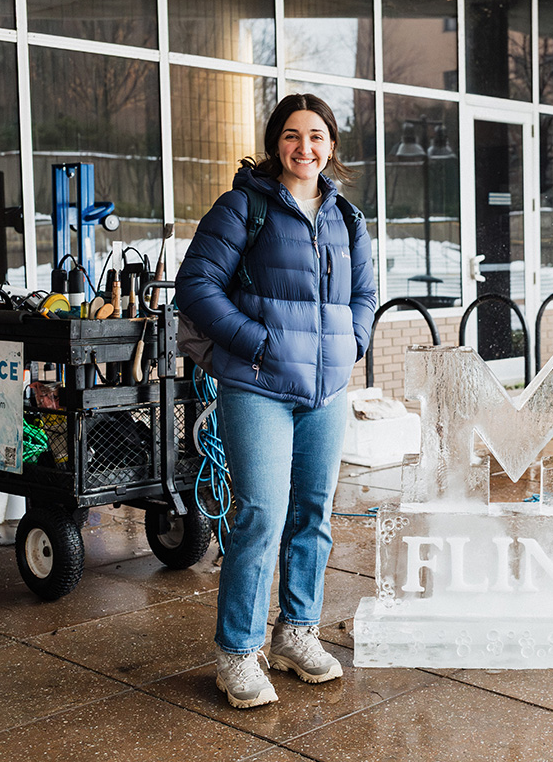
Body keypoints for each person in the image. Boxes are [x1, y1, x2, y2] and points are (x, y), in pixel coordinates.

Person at [176, 93, 377, 709]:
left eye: (316, 136)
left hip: (325, 389)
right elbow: (196, 285)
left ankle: (296, 632)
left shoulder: (348, 219)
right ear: (275, 144)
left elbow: (365, 296)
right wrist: (257, 341)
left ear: (332, 145)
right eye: (292, 136)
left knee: (313, 515)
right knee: (260, 515)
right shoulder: (244, 206)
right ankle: (238, 652)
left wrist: (350, 346)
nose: (304, 148)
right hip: (258, 386)